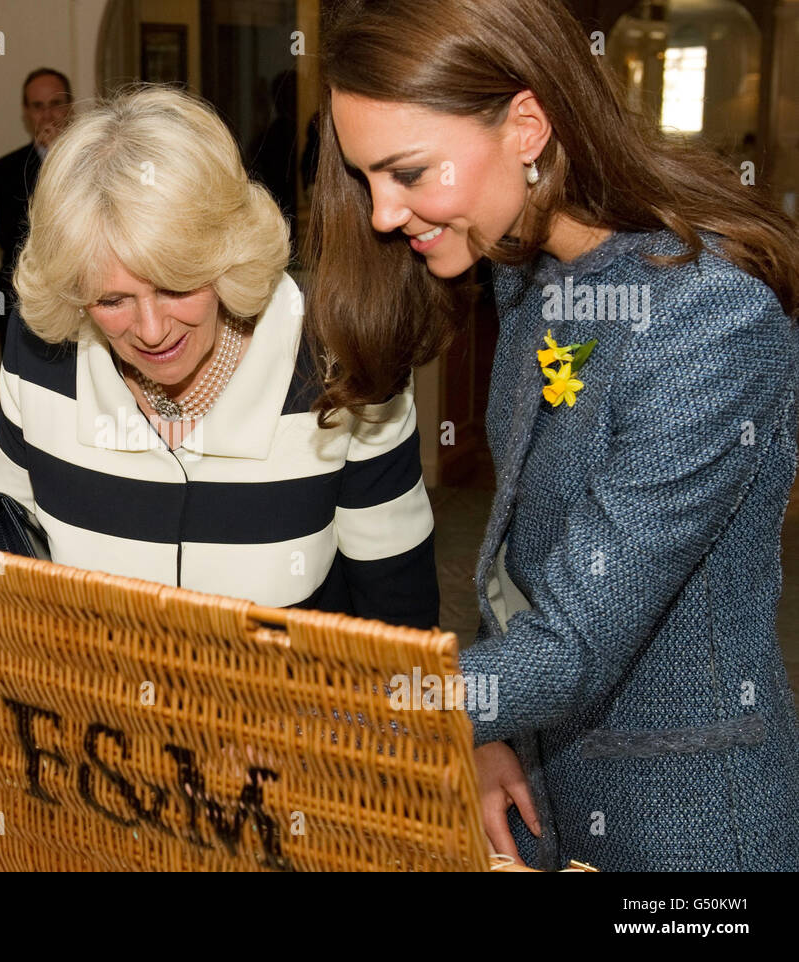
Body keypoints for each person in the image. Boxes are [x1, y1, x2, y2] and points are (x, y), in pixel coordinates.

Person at [308, 0, 799, 870]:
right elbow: (522, 563)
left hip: (685, 824)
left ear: (526, 127)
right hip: (540, 783)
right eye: (366, 178)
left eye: (409, 172)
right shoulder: (528, 271)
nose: (383, 213)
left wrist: (347, 713)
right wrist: (490, 728)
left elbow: (575, 639)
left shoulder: (709, 320)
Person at [0, 88, 439, 626]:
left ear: (227, 253)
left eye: (176, 286)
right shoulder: (41, 356)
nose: (151, 331)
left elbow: (398, 613)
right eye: (111, 299)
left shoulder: (346, 360)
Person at [0, 68, 74, 355]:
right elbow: (10, 237)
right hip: (22, 300)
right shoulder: (6, 169)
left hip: (79, 296)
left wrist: (60, 158)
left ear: (70, 107)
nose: (48, 115)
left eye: (55, 104)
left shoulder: (90, 161)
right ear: (26, 113)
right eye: (38, 106)